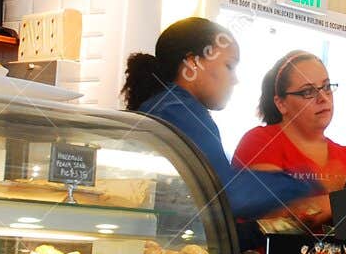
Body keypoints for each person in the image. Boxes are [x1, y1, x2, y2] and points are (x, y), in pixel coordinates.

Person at [123, 18, 321, 221]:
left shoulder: (169, 106)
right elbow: (226, 193)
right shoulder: (179, 112)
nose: (235, 79)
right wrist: (309, 184)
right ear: (193, 63)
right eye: (229, 65)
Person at [233, 51, 346, 225]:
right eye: (308, 91)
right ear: (281, 104)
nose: (323, 98)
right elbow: (278, 215)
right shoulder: (259, 141)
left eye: (327, 87)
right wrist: (342, 201)